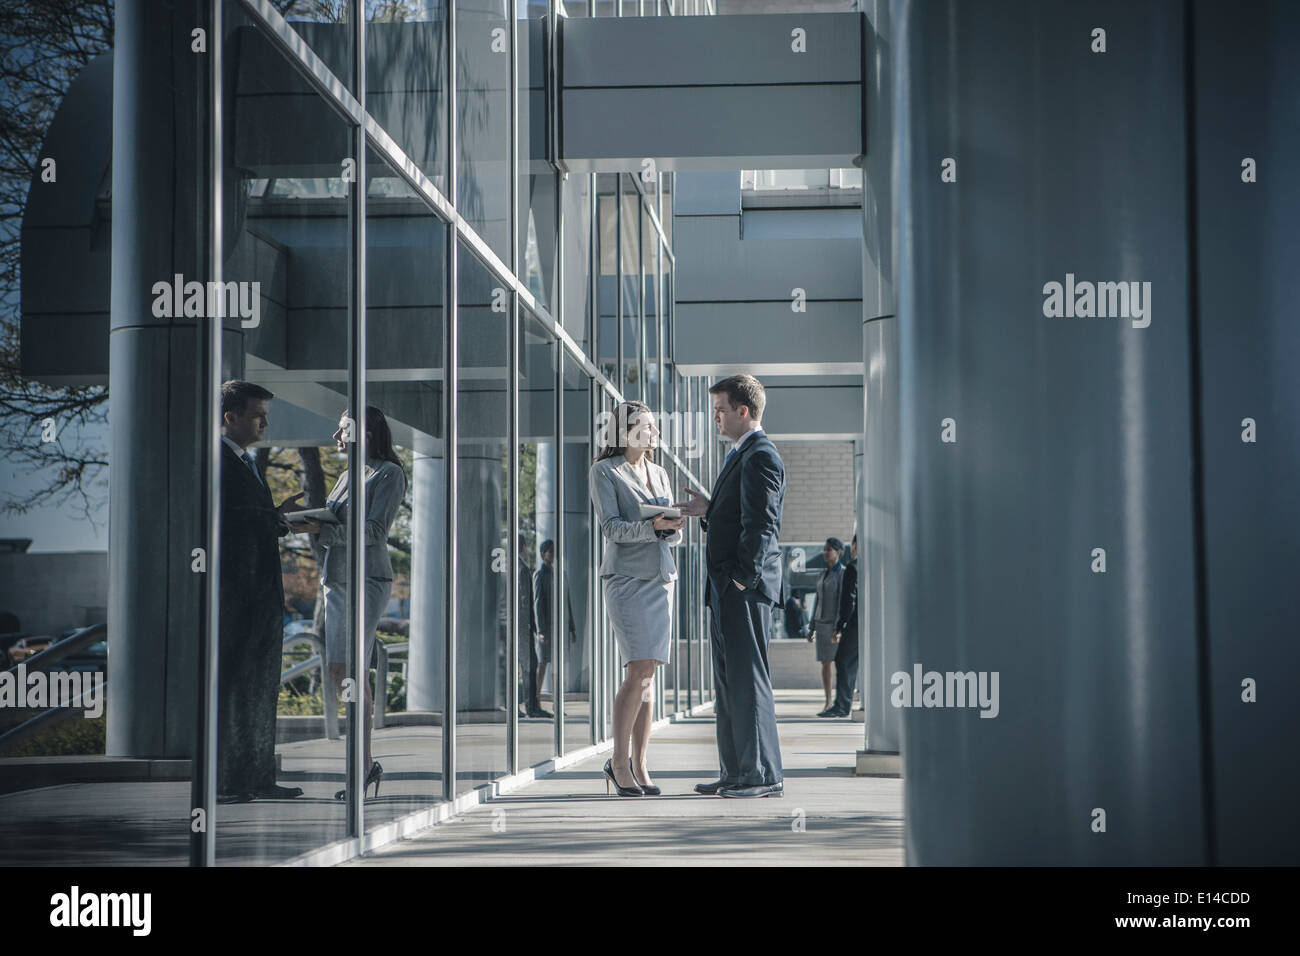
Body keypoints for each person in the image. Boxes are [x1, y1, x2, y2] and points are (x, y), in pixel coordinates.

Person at [676, 374, 786, 798]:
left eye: (721, 410)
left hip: (742, 590)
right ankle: (738, 772)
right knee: (728, 684)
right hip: (727, 589)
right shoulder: (739, 455)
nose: (716, 418)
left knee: (747, 681)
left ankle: (760, 775)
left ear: (744, 411)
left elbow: (762, 525)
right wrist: (710, 510)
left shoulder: (761, 456)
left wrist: (742, 578)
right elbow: (739, 514)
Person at [297, 406, 406, 801]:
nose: (335, 437)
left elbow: (375, 531)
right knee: (343, 670)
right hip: (336, 578)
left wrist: (322, 527)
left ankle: (361, 766)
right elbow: (336, 524)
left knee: (352, 670)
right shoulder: (346, 476)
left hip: (365, 581)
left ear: (366, 433)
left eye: (342, 429)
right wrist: (311, 523)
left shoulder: (389, 474)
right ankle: (364, 765)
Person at [217, 380, 308, 802]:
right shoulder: (217, 462)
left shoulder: (247, 463)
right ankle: (231, 781)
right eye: (259, 415)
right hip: (238, 600)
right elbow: (229, 526)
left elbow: (249, 521)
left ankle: (258, 777)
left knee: (261, 687)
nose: (266, 424)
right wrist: (272, 519)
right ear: (229, 416)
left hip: (261, 599)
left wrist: (276, 518)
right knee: (237, 689)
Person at [589, 401, 684, 797]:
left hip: (661, 578)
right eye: (646, 428)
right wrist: (652, 527)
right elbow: (612, 528)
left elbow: (672, 532)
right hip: (627, 581)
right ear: (625, 432)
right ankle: (618, 762)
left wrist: (671, 527)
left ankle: (642, 764)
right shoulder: (604, 472)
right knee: (638, 670)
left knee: (649, 679)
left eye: (654, 428)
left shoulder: (659, 472)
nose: (653, 434)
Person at [533, 539, 577, 710]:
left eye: (554, 551)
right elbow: (538, 604)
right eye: (549, 551)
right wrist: (541, 631)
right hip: (547, 629)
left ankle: (556, 704)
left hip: (561, 628)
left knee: (557, 666)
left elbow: (567, 603)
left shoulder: (561, 574)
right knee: (543, 664)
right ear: (543, 554)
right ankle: (536, 701)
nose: (552, 554)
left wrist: (572, 628)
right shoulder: (540, 575)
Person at [825, 533, 860, 718]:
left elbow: (849, 600)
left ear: (855, 545)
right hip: (866, 622)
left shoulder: (853, 568)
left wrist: (840, 625)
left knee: (843, 660)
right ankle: (842, 704)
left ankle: (842, 706)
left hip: (855, 623)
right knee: (849, 662)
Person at [812, 537, 846, 713]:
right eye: (824, 549)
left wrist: (838, 627)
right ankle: (828, 701)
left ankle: (840, 700)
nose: (825, 553)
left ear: (838, 552)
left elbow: (842, 600)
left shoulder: (842, 573)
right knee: (825, 663)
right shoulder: (822, 573)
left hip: (834, 624)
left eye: (829, 550)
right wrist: (811, 627)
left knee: (839, 663)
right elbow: (817, 600)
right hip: (821, 623)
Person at [518, 535, 548, 718]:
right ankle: (531, 707)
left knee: (528, 666)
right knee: (530, 666)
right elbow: (526, 602)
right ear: (523, 546)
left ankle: (528, 706)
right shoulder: (521, 569)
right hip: (522, 627)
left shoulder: (514, 567)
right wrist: (534, 627)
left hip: (520, 626)